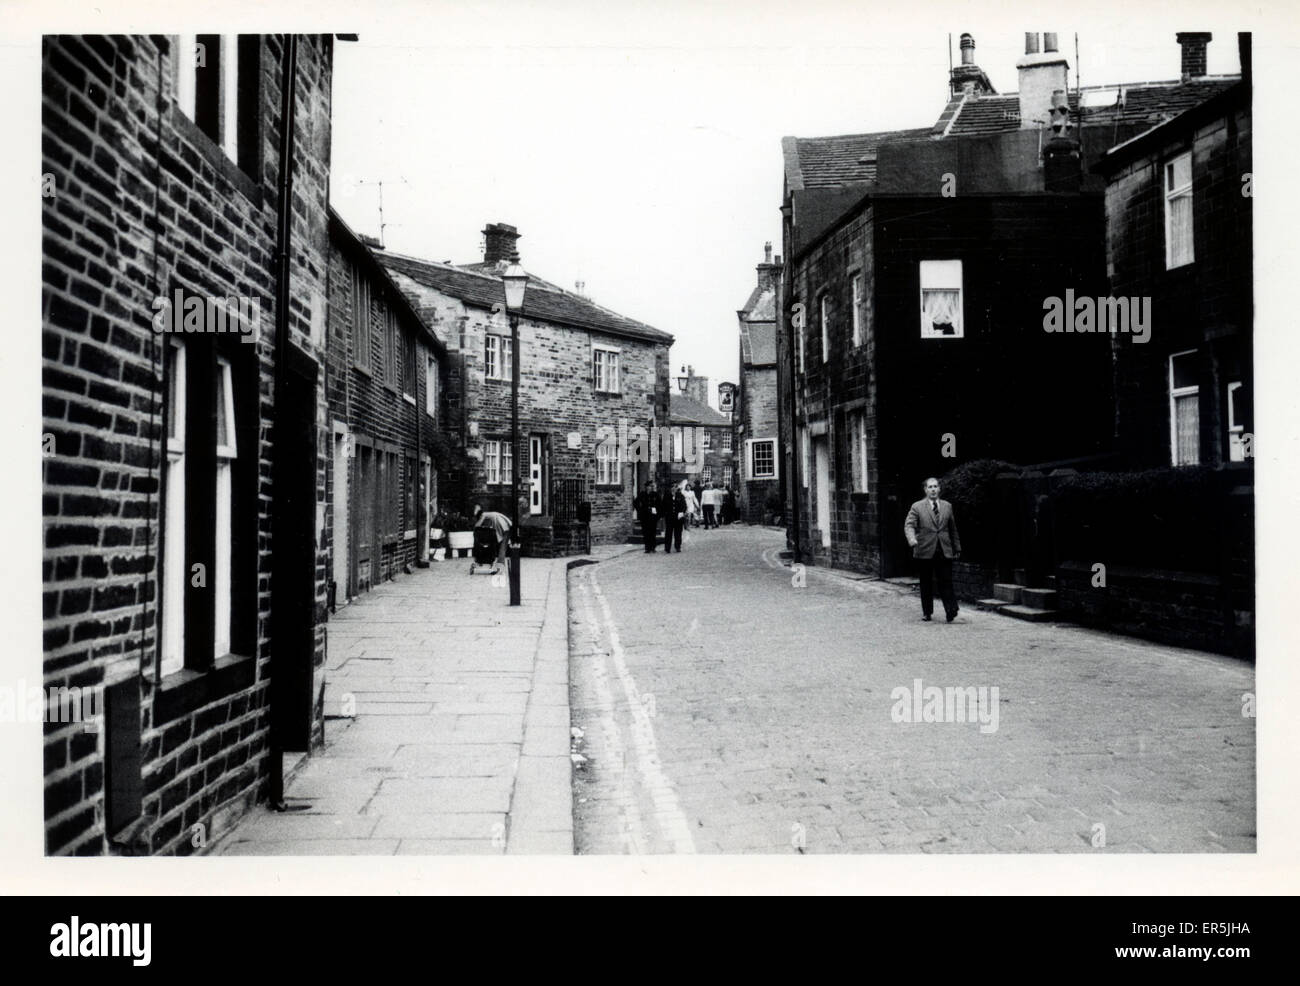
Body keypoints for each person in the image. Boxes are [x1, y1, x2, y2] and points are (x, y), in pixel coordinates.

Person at [903, 477, 961, 623]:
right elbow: (909, 525)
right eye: (930, 487)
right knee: (926, 582)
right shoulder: (917, 506)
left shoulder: (947, 506)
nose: (933, 489)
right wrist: (911, 539)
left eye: (935, 486)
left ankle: (950, 610)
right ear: (925, 490)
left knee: (946, 580)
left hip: (943, 549)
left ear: (939, 489)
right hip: (924, 550)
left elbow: (952, 528)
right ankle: (927, 612)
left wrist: (956, 547)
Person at [472, 503, 512, 574]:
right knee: (502, 547)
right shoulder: (489, 514)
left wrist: (475, 526)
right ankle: (500, 567)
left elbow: (477, 525)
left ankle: (500, 568)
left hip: (504, 527)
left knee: (502, 548)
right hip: (504, 526)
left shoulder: (483, 514)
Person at [660, 482, 687, 553]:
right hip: (669, 518)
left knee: (678, 533)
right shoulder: (667, 496)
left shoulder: (680, 496)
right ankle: (667, 548)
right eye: (672, 487)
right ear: (670, 488)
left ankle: (678, 546)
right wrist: (663, 515)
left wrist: (682, 512)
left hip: (678, 518)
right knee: (668, 533)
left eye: (675, 487)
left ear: (677, 488)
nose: (674, 488)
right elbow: (663, 506)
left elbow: (684, 506)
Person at [633, 482, 659, 552]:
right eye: (647, 486)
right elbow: (635, 502)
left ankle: (653, 547)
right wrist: (639, 510)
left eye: (650, 486)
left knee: (652, 532)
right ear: (646, 487)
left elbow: (659, 505)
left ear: (652, 487)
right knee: (645, 532)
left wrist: (657, 514)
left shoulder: (655, 494)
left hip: (653, 516)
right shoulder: (642, 494)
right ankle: (647, 547)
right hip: (644, 516)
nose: (648, 488)